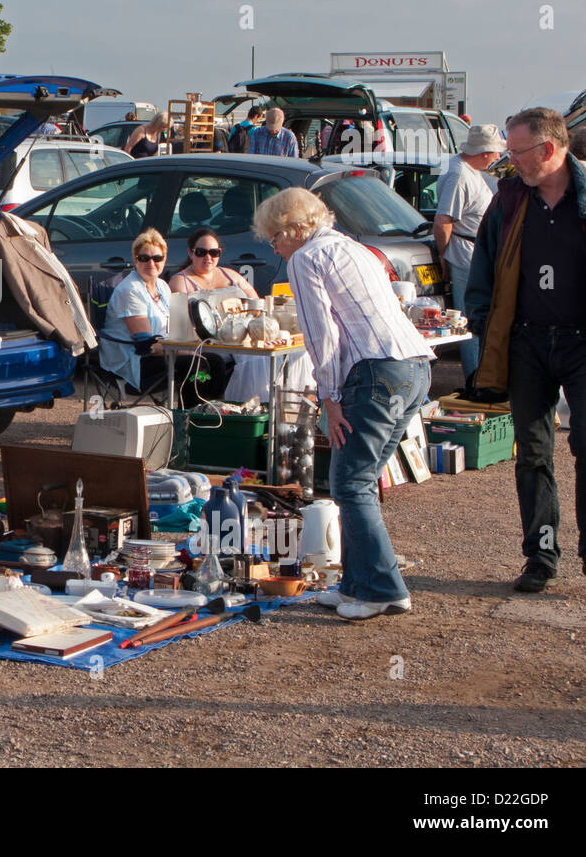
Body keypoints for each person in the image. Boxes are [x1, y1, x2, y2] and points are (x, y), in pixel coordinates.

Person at [254, 188, 432, 620]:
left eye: (274, 237)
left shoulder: (306, 258)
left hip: (372, 371)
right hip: (413, 365)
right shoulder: (355, 247)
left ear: (295, 229)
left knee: (350, 482)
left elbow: (321, 336)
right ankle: (357, 582)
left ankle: (381, 588)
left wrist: (328, 398)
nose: (274, 247)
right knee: (361, 481)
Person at [465, 108, 586, 594]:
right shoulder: (509, 201)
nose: (509, 162)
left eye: (517, 153)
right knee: (534, 454)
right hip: (527, 341)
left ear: (547, 149)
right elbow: (484, 263)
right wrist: (482, 323)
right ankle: (540, 557)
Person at [433, 124, 503, 383]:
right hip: (466, 255)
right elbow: (443, 221)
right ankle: (475, 380)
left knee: (477, 318)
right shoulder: (460, 175)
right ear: (485, 152)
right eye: (495, 153)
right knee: (471, 321)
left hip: (474, 252)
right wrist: (444, 256)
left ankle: (481, 377)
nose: (497, 158)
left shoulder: (468, 171)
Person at [168, 226, 257, 402]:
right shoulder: (180, 282)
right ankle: (237, 404)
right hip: (205, 344)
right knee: (250, 361)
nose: (208, 258)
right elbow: (180, 324)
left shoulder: (230, 275)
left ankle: (258, 405)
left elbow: (255, 302)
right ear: (190, 252)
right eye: (201, 252)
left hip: (239, 340)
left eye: (214, 252)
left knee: (263, 359)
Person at [98, 229, 170, 394]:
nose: (151, 263)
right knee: (200, 363)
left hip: (162, 352)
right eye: (144, 258)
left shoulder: (163, 286)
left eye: (157, 258)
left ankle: (200, 415)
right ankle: (194, 416)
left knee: (211, 361)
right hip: (133, 361)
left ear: (164, 259)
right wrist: (185, 349)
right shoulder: (131, 289)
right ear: (135, 260)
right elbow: (145, 344)